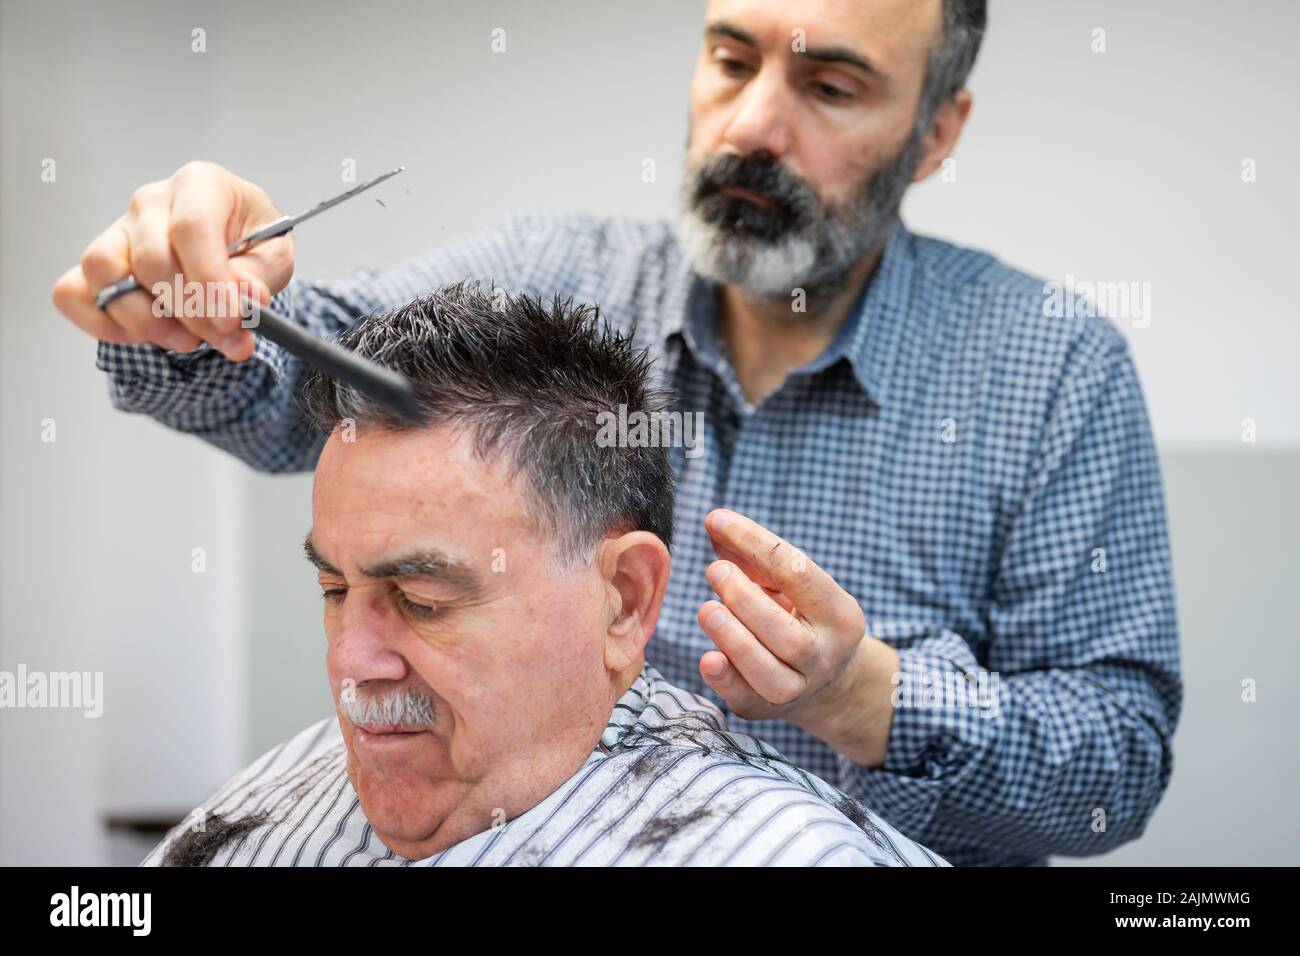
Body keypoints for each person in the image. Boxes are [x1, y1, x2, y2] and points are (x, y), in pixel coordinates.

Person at [56, 0, 1181, 866]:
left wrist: (862, 697)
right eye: (731, 61)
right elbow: (276, 381)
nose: (751, 126)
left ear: (935, 133)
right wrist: (186, 299)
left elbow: (1117, 764)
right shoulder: (555, 283)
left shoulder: (1048, 365)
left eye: (831, 86)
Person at [143, 285, 946, 867]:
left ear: (623, 602)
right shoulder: (262, 811)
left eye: (422, 602)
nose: (350, 663)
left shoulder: (782, 853)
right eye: (334, 591)